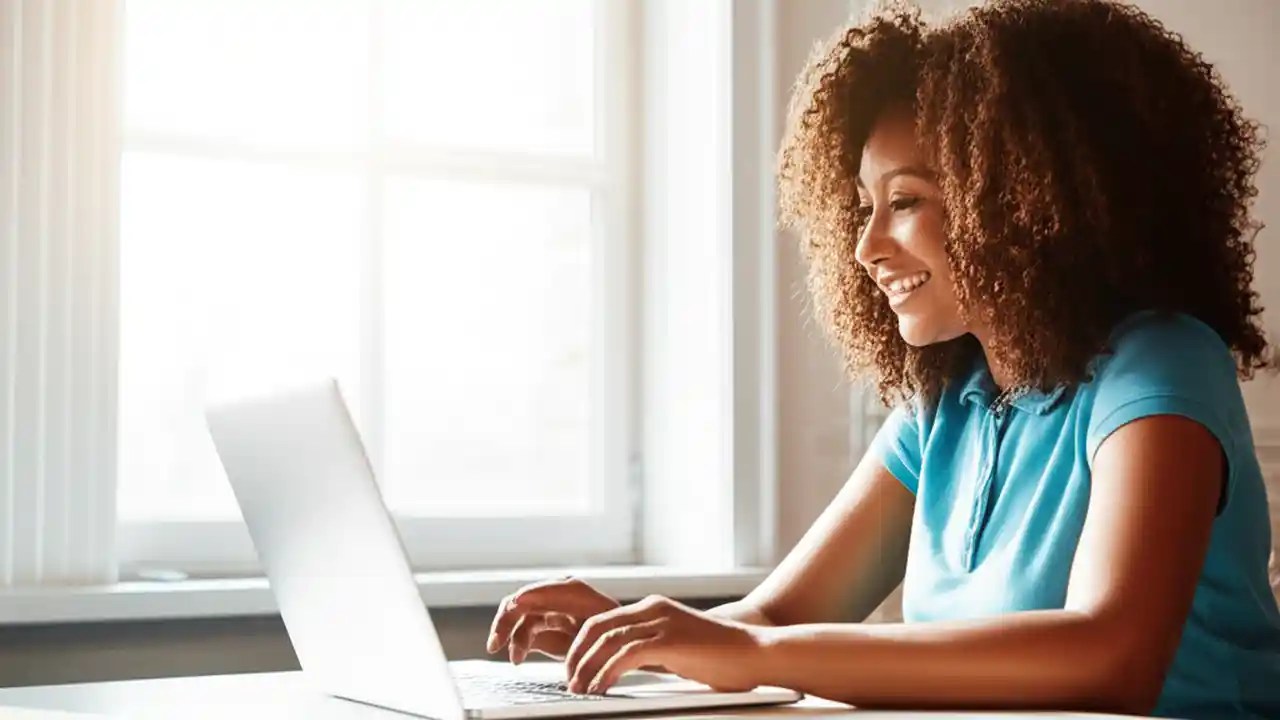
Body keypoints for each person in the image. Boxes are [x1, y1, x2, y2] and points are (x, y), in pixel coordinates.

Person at [487, 1, 1280, 716]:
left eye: (905, 201)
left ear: (1022, 202)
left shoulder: (1160, 362)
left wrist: (749, 651)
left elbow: (1109, 657)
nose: (867, 247)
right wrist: (632, 635)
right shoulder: (944, 406)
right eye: (864, 207)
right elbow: (772, 622)